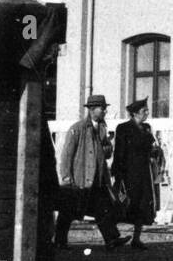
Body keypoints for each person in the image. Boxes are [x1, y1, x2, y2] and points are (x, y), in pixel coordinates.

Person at [55, 94, 129, 252]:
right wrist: (67, 177)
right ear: (92, 110)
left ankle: (111, 240)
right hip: (79, 179)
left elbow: (107, 153)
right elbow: (66, 155)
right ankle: (60, 242)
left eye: (104, 108)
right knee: (67, 212)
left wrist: (107, 145)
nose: (105, 111)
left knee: (103, 210)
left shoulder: (102, 128)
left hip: (98, 180)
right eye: (102, 108)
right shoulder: (78, 128)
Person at [110, 98, 161, 248]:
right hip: (128, 173)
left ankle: (136, 239)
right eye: (144, 111)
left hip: (144, 174)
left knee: (142, 204)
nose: (147, 113)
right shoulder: (123, 128)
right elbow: (119, 151)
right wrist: (118, 173)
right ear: (134, 114)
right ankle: (112, 237)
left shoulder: (146, 128)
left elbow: (151, 147)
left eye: (147, 110)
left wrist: (154, 151)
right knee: (122, 204)